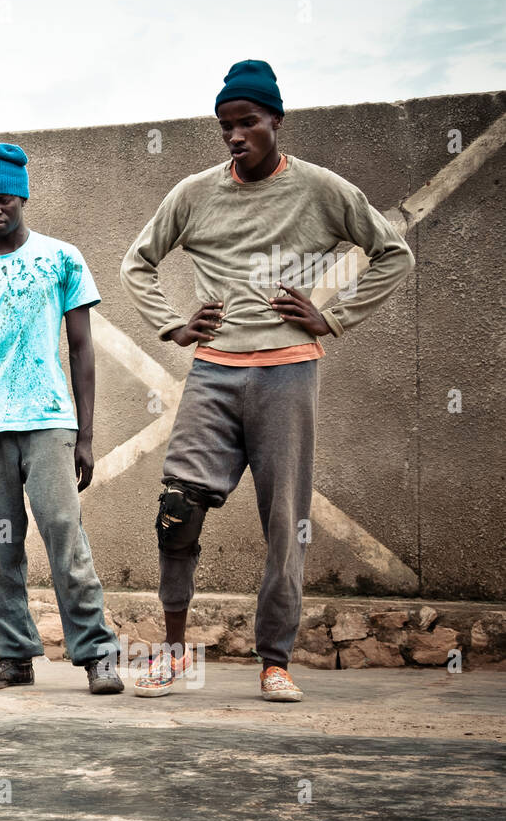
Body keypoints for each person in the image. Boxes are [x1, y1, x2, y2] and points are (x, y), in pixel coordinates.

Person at [119, 60, 415, 702]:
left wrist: (331, 316)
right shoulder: (193, 194)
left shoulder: (322, 190)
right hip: (214, 374)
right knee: (178, 512)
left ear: (275, 120)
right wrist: (175, 325)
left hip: (288, 374)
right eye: (226, 125)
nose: (235, 135)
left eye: (247, 122)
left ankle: (274, 661)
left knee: (285, 522)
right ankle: (172, 655)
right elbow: (136, 263)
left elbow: (394, 253)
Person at [0, 144, 123, 695]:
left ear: (22, 197)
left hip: (48, 420)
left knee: (64, 532)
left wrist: (85, 434)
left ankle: (97, 655)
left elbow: (82, 348)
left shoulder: (62, 259)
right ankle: (13, 657)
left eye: (4, 199)